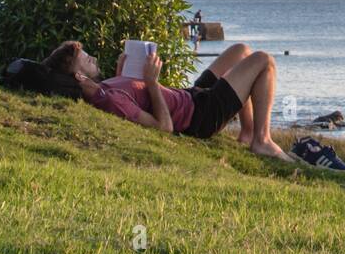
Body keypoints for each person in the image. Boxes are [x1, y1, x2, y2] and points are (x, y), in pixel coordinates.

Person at [45, 40, 294, 162]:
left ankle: (247, 134)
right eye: (88, 61)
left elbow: (131, 99)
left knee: (240, 51)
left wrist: (123, 73)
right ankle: (262, 140)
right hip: (199, 115)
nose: (94, 60)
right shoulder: (107, 99)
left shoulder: (101, 89)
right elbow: (164, 128)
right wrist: (152, 82)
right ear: (79, 76)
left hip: (189, 95)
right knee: (264, 61)